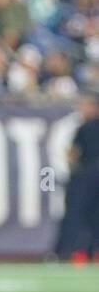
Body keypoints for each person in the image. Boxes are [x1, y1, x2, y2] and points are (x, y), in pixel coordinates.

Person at [55, 91, 99, 261]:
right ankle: (87, 251)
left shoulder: (80, 126)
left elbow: (72, 153)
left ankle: (79, 251)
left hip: (84, 176)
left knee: (80, 214)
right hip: (84, 175)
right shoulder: (73, 124)